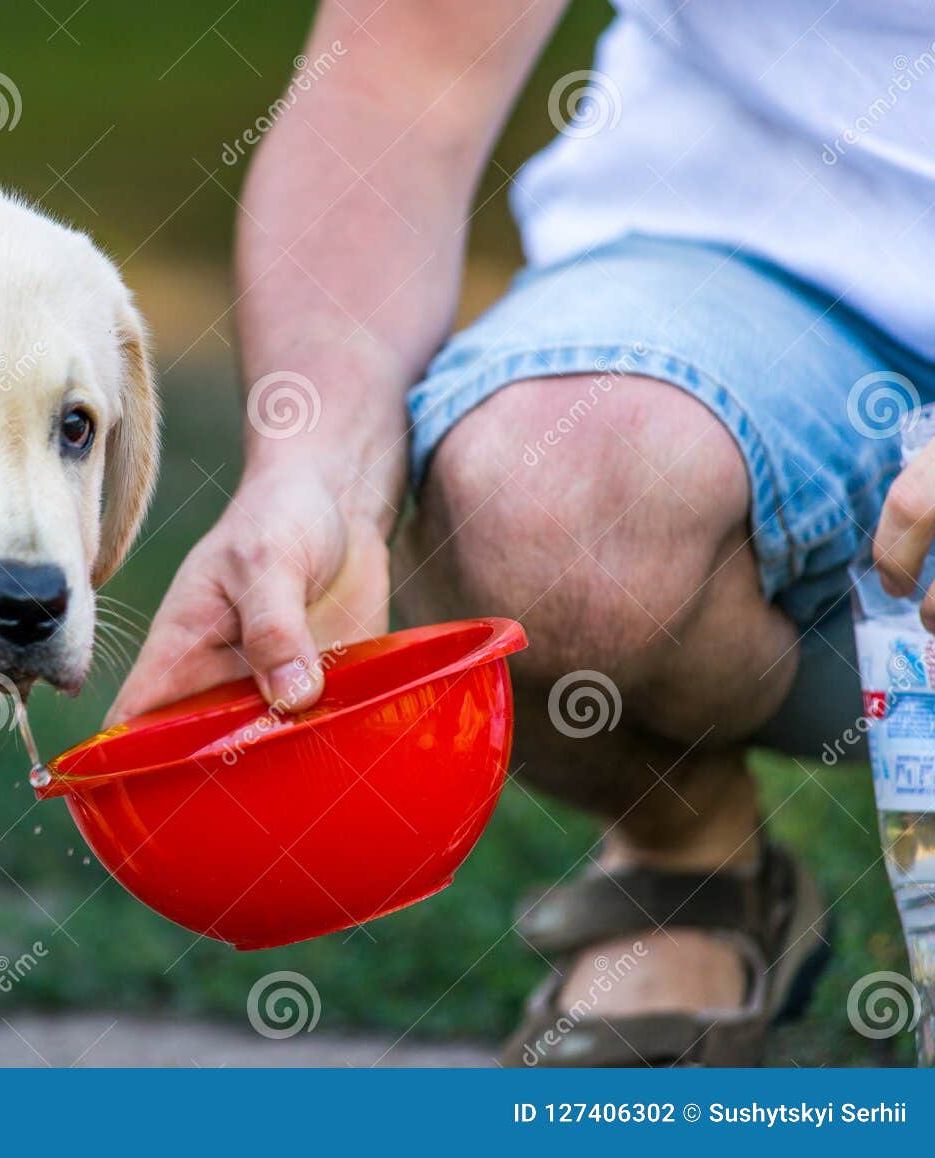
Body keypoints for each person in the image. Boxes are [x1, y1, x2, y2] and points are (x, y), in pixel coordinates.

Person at [110, 0, 935, 1066]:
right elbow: (396, 81)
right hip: (751, 266)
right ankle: (687, 862)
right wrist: (316, 469)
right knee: (543, 494)